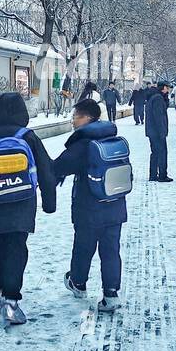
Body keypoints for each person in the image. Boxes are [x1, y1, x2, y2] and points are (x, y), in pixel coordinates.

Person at [0, 92, 57, 326]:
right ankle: (11, 298)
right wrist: (49, 203)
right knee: (17, 247)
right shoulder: (29, 137)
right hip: (22, 204)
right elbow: (47, 172)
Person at [53, 98, 129, 313]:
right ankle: (111, 294)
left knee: (84, 246)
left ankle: (78, 282)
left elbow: (58, 167)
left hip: (89, 207)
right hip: (115, 205)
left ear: (87, 117)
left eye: (75, 116)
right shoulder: (112, 139)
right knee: (111, 250)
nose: (72, 121)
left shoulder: (83, 144)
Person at [145, 82, 172, 182]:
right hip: (157, 131)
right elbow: (159, 116)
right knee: (162, 152)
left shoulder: (154, 97)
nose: (168, 90)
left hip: (152, 130)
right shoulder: (158, 98)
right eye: (167, 88)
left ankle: (153, 175)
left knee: (155, 152)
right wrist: (162, 132)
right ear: (163, 88)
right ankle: (162, 175)